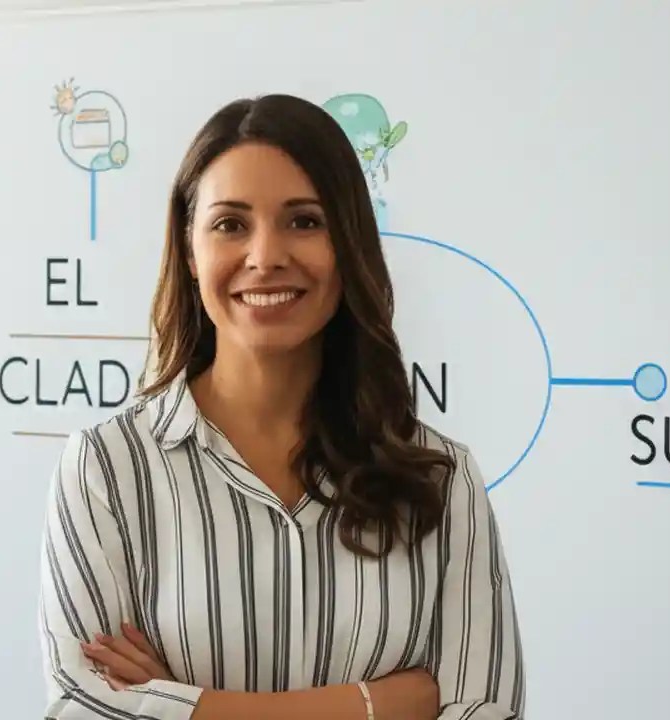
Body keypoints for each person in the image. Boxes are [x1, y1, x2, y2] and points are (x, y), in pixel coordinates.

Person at [37, 94, 526, 720]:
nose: (265, 256)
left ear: (349, 245)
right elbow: (84, 709)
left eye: (304, 221)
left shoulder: (440, 477)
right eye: (230, 224)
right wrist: (378, 705)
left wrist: (185, 707)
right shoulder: (105, 469)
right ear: (190, 254)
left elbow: (483, 710)